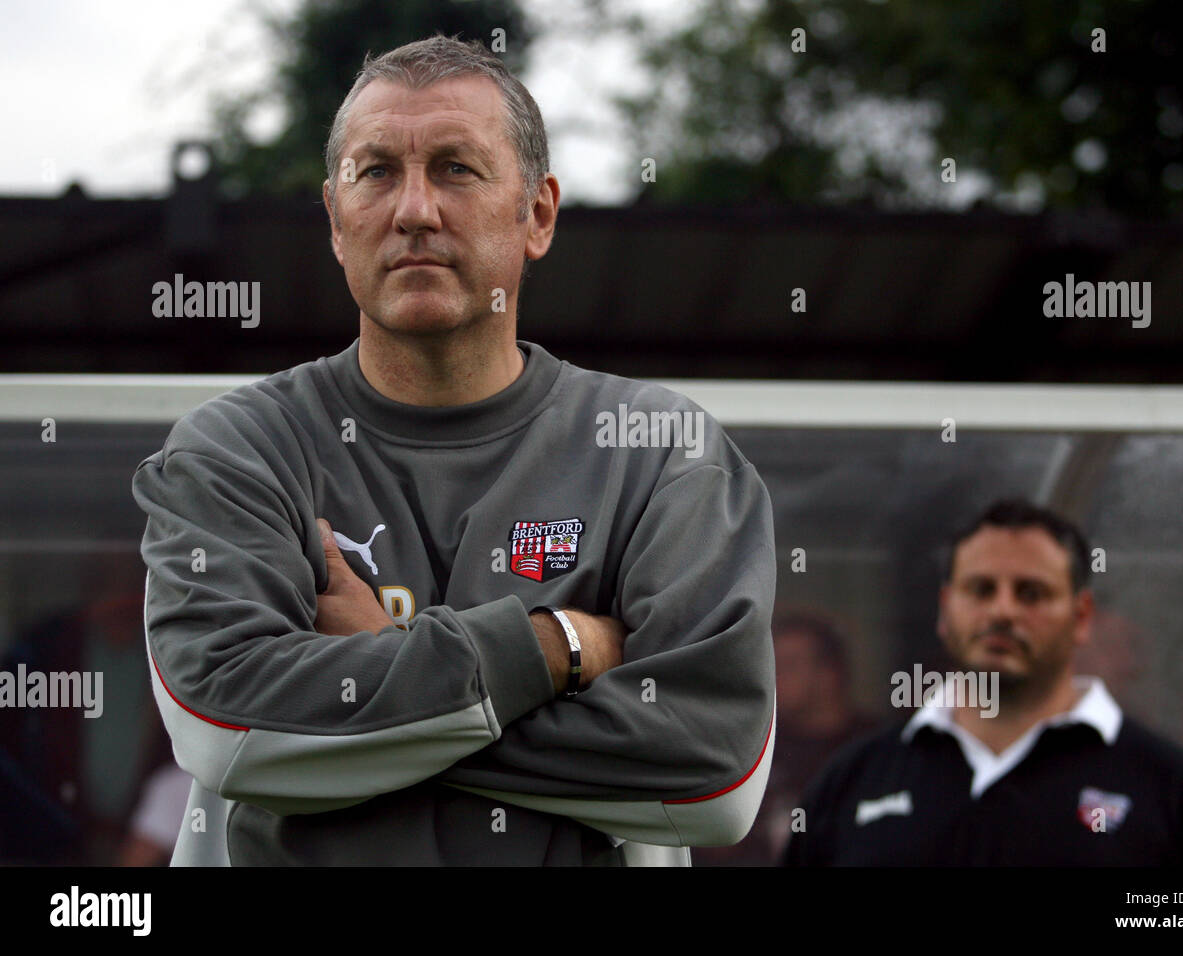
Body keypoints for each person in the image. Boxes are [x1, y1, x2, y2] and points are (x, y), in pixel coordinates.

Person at [132, 35, 776, 866]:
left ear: (537, 214)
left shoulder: (660, 455)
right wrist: (557, 650)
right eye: (376, 173)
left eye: (456, 168)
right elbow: (230, 732)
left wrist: (375, 686)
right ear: (335, 218)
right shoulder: (235, 452)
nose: (414, 211)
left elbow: (712, 775)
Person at [785, 498, 1183, 866]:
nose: (1003, 610)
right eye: (981, 589)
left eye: (1031, 592)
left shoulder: (1175, 793)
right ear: (946, 609)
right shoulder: (853, 782)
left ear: (1082, 615)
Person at [694, 612, 873, 865]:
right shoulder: (759, 749)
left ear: (829, 673)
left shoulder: (876, 749)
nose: (774, 677)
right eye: (770, 665)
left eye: (788, 664)